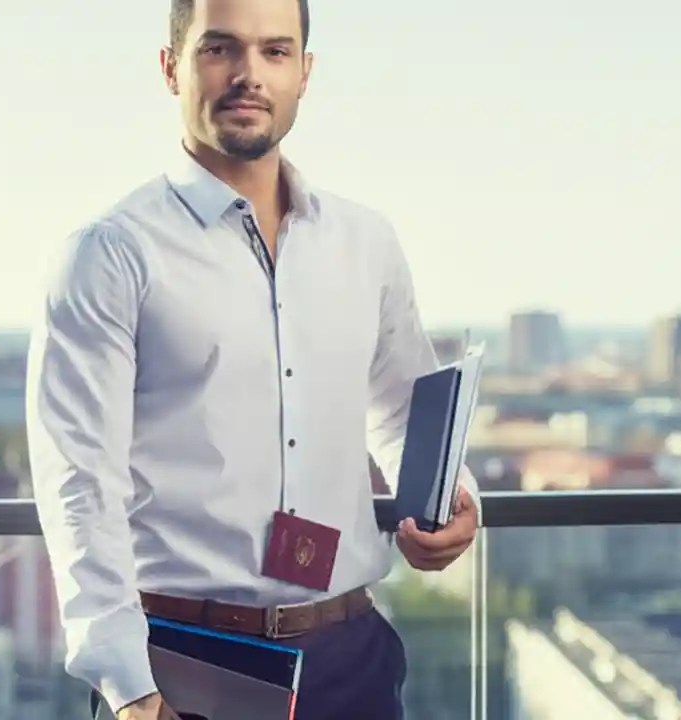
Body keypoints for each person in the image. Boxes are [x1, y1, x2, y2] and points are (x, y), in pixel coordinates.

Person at [25, 0, 481, 717]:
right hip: (183, 667)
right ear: (171, 67)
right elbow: (79, 485)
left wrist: (447, 496)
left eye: (274, 52)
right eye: (219, 50)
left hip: (352, 654)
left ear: (305, 72)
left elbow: (399, 408)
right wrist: (128, 685)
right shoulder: (110, 254)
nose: (248, 75)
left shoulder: (367, 243)